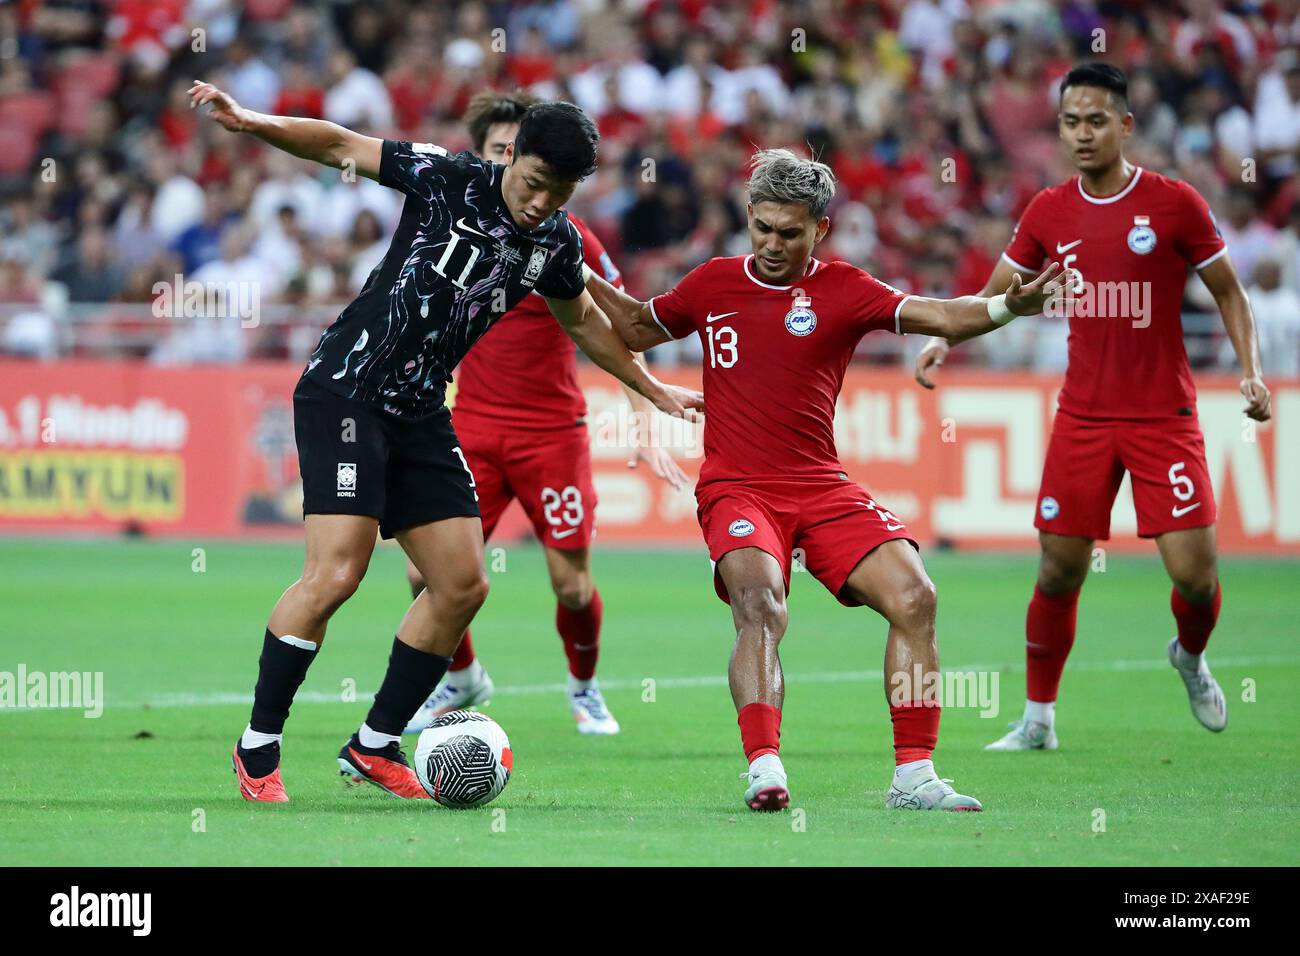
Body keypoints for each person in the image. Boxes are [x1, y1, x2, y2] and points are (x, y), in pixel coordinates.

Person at [187, 80, 702, 802]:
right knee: (338, 573)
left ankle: (373, 745)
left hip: (421, 411)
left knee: (462, 583)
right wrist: (252, 123)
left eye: (561, 193)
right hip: (346, 389)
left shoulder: (554, 241)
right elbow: (340, 144)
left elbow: (585, 323)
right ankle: (257, 747)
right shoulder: (447, 177)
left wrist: (653, 390)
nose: (542, 203)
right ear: (511, 157)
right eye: (534, 183)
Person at [586, 147, 1068, 812]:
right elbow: (638, 322)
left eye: (790, 232)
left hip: (821, 486)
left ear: (820, 229)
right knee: (759, 604)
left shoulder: (845, 289)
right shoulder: (713, 283)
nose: (773, 244)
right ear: (748, 218)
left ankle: (914, 777)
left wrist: (1007, 308)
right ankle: (764, 766)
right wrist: (576, 272)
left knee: (916, 597)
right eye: (762, 228)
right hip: (738, 487)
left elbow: (943, 315)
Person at [914, 63, 1272, 751]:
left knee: (1196, 581)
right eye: (1071, 122)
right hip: (1082, 417)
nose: (1082, 133)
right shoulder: (1049, 210)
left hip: (1164, 417)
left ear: (1125, 125)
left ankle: (1190, 658)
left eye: (1096, 120)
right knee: (1057, 569)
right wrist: (942, 342)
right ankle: (1038, 719)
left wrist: (1251, 374)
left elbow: (1230, 291)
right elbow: (998, 294)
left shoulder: (1175, 205)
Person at [403, 91, 688, 737]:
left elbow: (617, 326)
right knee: (425, 570)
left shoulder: (568, 238)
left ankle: (584, 688)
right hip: (470, 426)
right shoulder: (452, 220)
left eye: (517, 149)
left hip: (550, 435)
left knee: (571, 585)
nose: (508, 160)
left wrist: (644, 420)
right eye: (498, 150)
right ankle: (461, 678)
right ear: (485, 156)